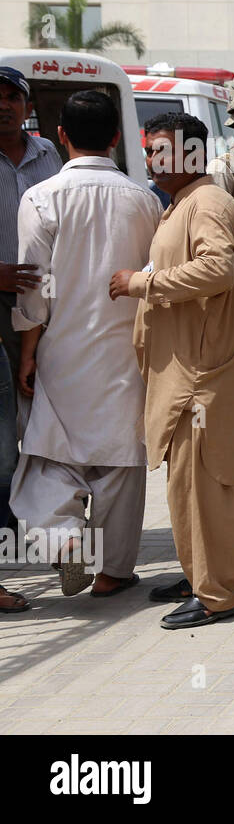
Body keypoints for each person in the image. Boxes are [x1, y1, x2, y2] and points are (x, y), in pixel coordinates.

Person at [110, 112, 234, 629]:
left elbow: (217, 269)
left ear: (190, 153)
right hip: (184, 375)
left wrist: (140, 285)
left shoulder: (209, 202)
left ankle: (218, 593)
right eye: (148, 150)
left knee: (203, 487)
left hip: (203, 378)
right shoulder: (182, 203)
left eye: (158, 150)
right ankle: (197, 575)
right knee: (186, 487)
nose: (150, 160)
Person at [9, 91, 160, 599]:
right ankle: (113, 571)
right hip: (128, 351)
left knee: (51, 455)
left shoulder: (41, 197)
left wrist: (28, 347)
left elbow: (34, 283)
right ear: (117, 138)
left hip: (63, 348)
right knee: (120, 460)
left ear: (61, 136)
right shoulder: (144, 199)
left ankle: (66, 542)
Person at [0, 65, 61, 564]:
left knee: (44, 410)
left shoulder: (50, 155)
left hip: (46, 303)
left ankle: (49, 521)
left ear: (26, 105)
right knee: (3, 425)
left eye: (10, 96)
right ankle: (9, 529)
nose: (2, 105)